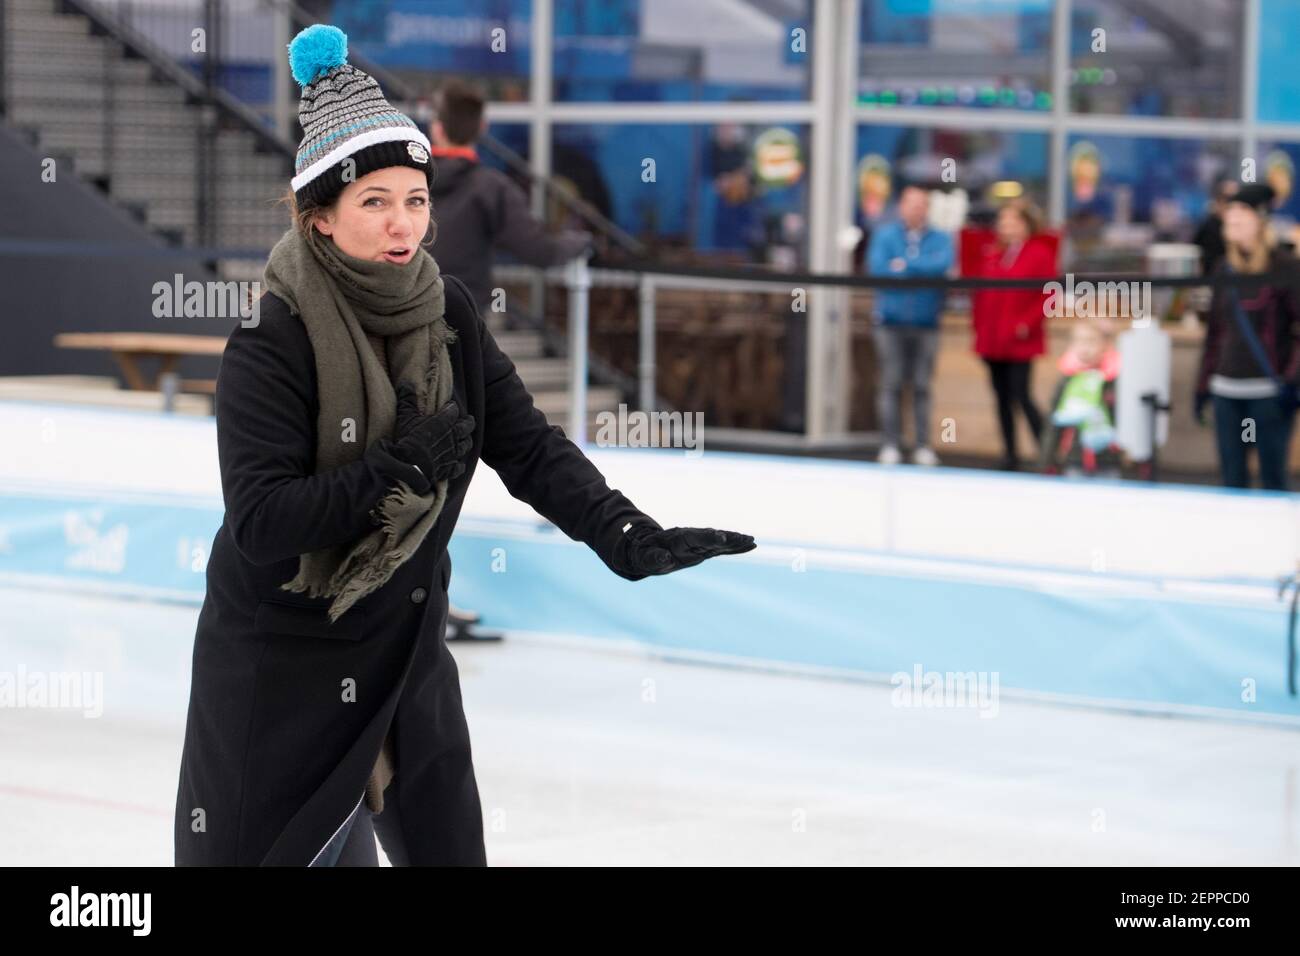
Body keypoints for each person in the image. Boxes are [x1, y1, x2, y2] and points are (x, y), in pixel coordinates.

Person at [173, 25, 756, 867]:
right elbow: (262, 521)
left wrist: (623, 533)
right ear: (321, 221)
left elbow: (525, 446)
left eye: (415, 198)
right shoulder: (275, 340)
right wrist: (395, 472)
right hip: (285, 665)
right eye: (373, 201)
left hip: (405, 651)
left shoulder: (446, 314)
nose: (402, 222)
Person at [428, 78, 591, 313]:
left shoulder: (408, 182)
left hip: (408, 318)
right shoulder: (491, 188)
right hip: (463, 319)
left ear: (437, 128)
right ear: (483, 126)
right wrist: (579, 242)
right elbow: (539, 250)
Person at [1194, 182, 1300, 491]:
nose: (1233, 220)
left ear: (1260, 220)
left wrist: (1292, 381)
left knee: (1272, 479)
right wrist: (1203, 387)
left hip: (1269, 394)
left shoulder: (1286, 267)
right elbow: (1215, 332)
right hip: (1226, 391)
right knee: (1232, 481)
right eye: (1230, 215)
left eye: (1242, 213)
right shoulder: (1223, 267)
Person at [867, 183, 954, 466]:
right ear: (901, 207)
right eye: (911, 204)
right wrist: (918, 265)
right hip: (890, 323)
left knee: (921, 385)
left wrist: (904, 266)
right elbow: (878, 268)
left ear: (927, 208)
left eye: (922, 204)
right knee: (891, 384)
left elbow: (940, 266)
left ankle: (922, 445)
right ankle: (890, 443)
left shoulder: (941, 238)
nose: (917, 209)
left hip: (926, 322)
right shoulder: (885, 235)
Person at [970, 198, 1055, 471]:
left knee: (1022, 394)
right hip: (993, 339)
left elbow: (1048, 296)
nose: (1006, 226)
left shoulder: (1039, 254)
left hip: (1020, 341)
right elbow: (981, 295)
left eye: (1013, 221)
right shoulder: (993, 254)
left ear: (1027, 224)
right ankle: (1010, 454)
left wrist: (1026, 324)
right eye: (1003, 221)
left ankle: (1047, 452)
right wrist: (980, 328)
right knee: (1001, 398)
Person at [1037, 316, 1122, 478]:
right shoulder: (1068, 379)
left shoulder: (1111, 380)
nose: (1085, 347)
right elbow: (1053, 422)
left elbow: (1123, 418)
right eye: (1080, 341)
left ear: (1105, 345)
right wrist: (1046, 461)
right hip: (1074, 459)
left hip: (1108, 459)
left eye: (1091, 341)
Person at [1193, 177, 1239, 278]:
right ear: (1218, 201)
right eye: (1229, 199)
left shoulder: (1242, 229)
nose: (1233, 205)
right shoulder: (1207, 229)